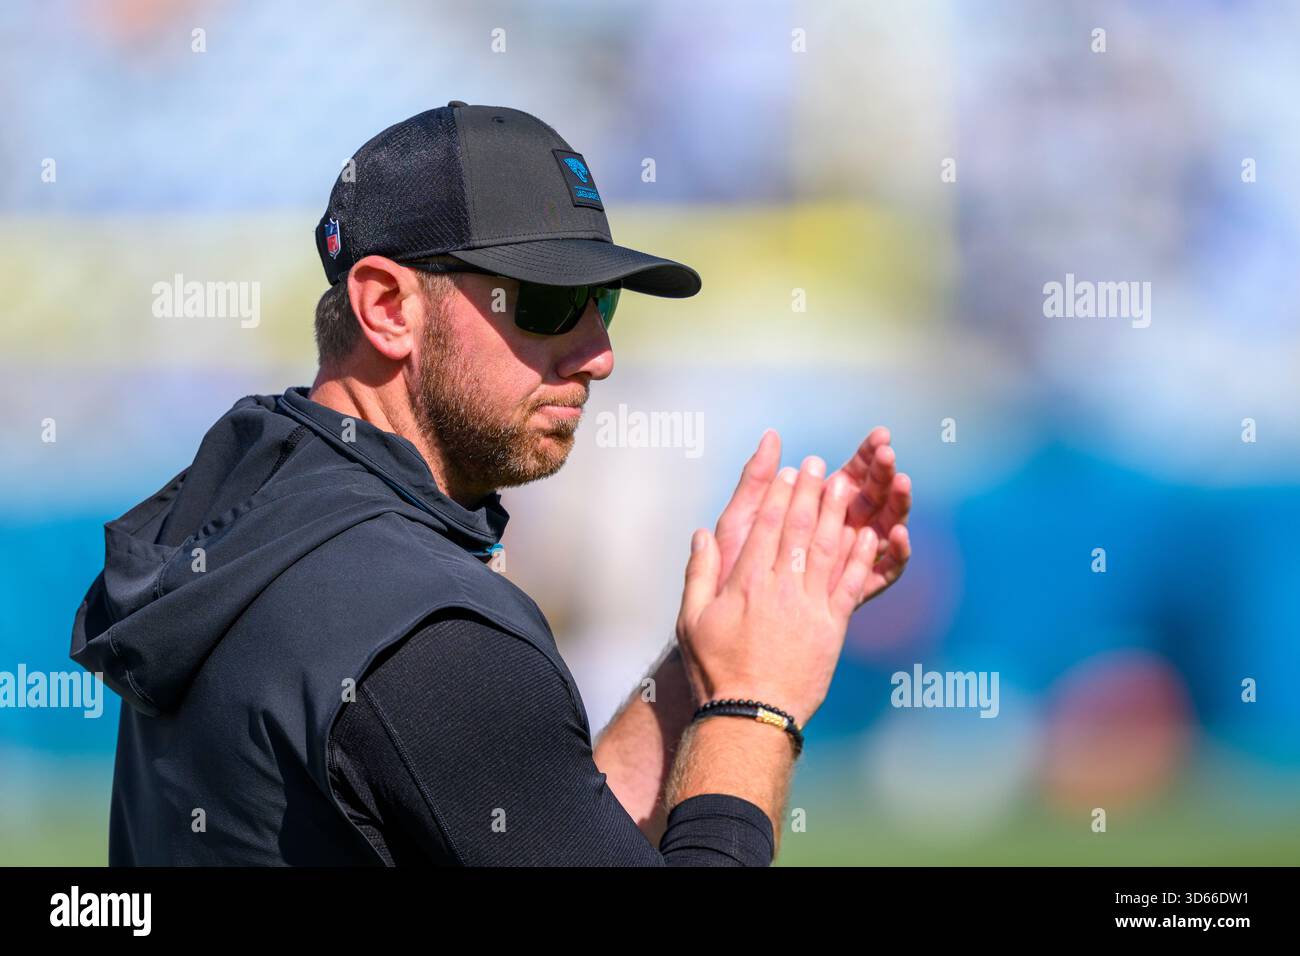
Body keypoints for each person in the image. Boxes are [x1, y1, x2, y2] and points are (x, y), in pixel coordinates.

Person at [69, 103, 912, 865]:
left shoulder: (254, 506)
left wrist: (706, 661)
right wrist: (755, 703)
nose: (599, 355)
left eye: (602, 305)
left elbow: (523, 820)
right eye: (546, 302)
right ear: (388, 307)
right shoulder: (421, 628)